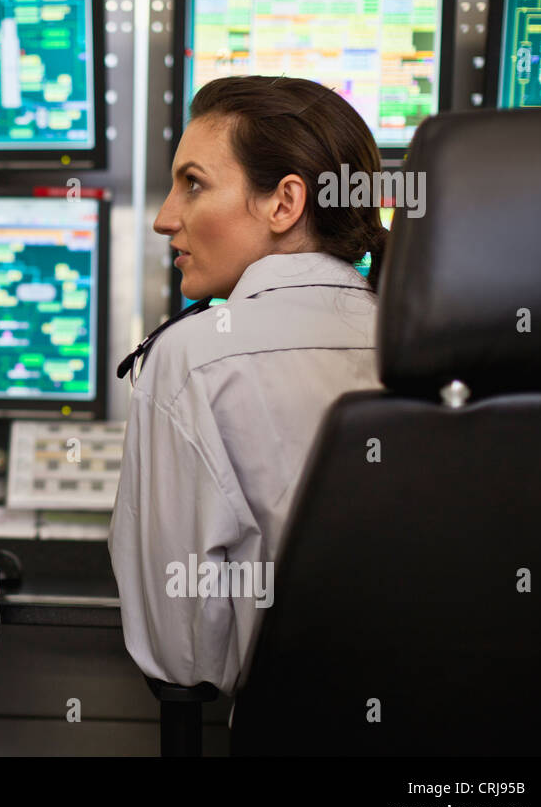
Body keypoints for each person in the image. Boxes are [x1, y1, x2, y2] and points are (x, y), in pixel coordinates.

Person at [110, 76, 387, 694]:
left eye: (194, 184)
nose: (164, 218)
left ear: (284, 204)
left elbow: (181, 653)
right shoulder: (429, 339)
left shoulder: (192, 357)